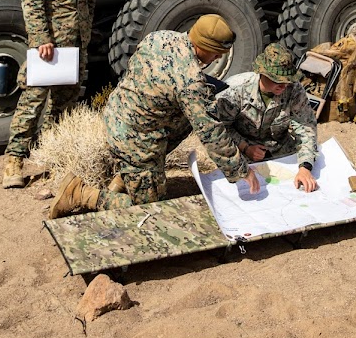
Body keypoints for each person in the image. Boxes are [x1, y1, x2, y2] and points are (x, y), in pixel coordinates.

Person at [49, 14, 260, 218]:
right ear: (203, 46)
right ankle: (80, 193)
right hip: (136, 140)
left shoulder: (159, 37)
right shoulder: (190, 81)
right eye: (216, 53)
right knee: (151, 210)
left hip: (118, 113)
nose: (218, 58)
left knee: (191, 115)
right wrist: (240, 171)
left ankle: (127, 178)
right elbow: (210, 132)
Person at [2, 0, 97, 189]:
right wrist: (42, 38)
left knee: (65, 102)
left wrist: (86, 33)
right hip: (49, 45)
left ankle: (52, 155)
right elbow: (31, 1)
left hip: (75, 44)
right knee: (33, 101)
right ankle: (13, 161)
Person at [214, 43, 319, 192]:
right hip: (244, 152)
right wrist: (246, 148)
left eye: (287, 80)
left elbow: (305, 127)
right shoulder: (236, 90)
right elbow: (221, 128)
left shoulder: (294, 90)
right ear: (262, 73)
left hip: (281, 151)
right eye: (277, 80)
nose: (283, 86)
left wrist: (305, 167)